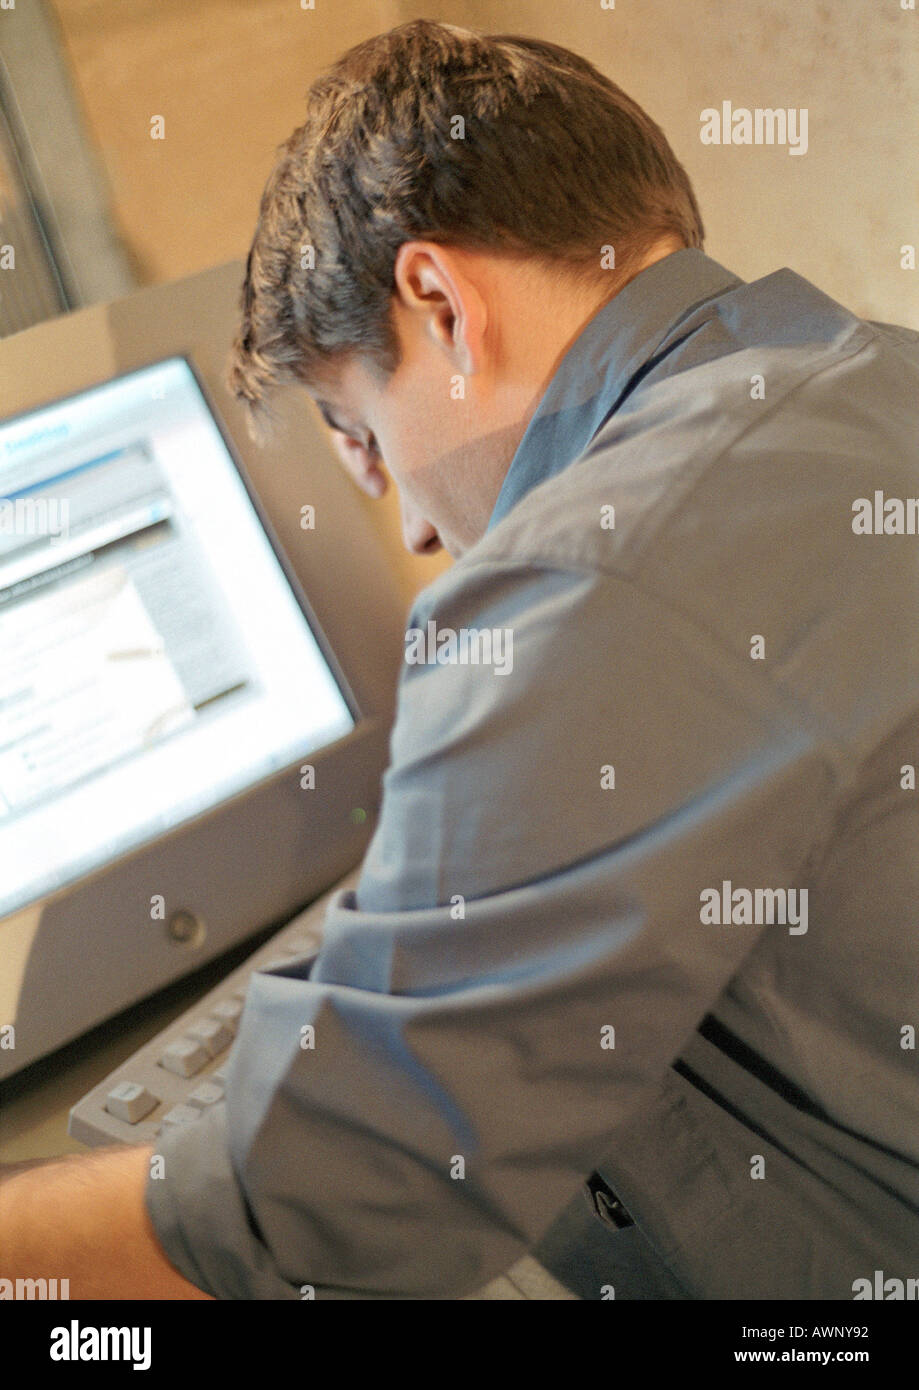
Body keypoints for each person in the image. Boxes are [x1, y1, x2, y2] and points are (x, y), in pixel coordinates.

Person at [2, 19, 918, 1301]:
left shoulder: (583, 581)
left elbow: (315, 1220)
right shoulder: (870, 378)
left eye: (359, 434)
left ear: (438, 302)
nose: (417, 530)